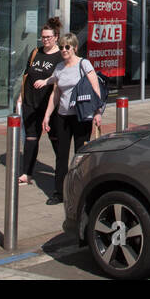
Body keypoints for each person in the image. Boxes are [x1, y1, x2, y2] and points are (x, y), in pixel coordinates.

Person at [41, 34, 102, 206]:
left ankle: (81, 191)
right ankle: (59, 192)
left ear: (74, 47)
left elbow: (95, 87)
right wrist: (47, 115)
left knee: (80, 155)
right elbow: (55, 93)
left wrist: (98, 112)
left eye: (67, 47)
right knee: (61, 155)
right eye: (61, 47)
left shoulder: (84, 64)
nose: (63, 50)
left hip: (81, 115)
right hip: (63, 116)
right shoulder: (59, 67)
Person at [14, 18, 61, 186]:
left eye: (48, 37)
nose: (45, 40)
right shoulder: (35, 52)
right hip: (31, 103)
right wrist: (21, 96)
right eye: (43, 37)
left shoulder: (60, 55)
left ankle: (62, 171)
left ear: (56, 37)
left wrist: (47, 80)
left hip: (49, 105)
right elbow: (26, 75)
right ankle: (27, 173)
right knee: (31, 138)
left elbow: (61, 79)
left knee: (55, 138)